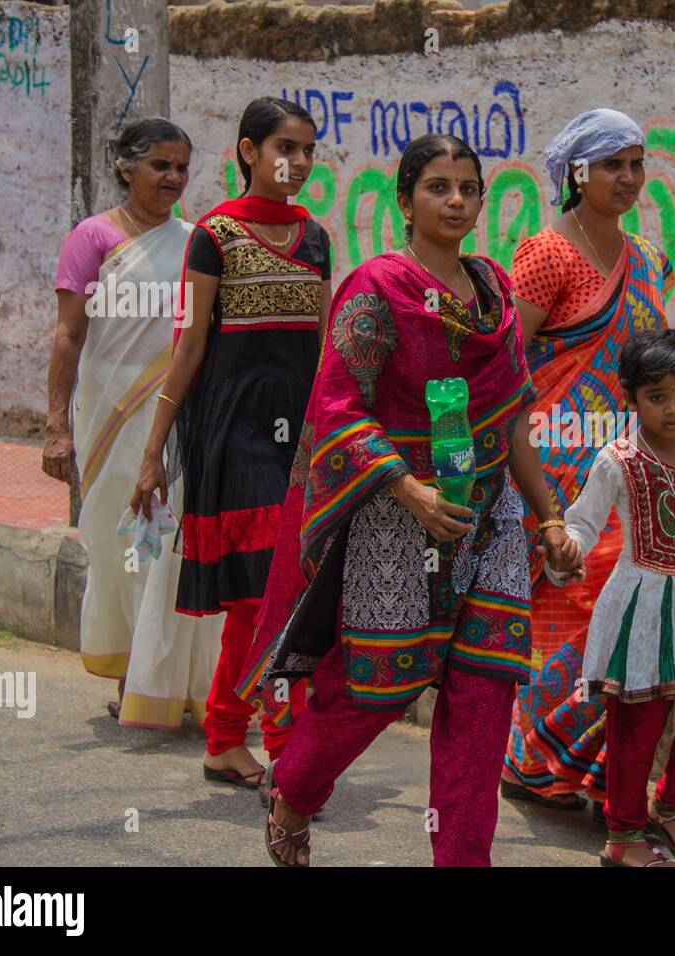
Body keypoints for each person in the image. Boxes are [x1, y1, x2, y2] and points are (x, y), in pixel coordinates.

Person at [239, 133, 577, 867]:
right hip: (399, 518)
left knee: (485, 703)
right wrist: (411, 489)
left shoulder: (492, 292)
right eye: (437, 187)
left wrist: (547, 515)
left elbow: (512, 418)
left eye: (468, 188)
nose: (456, 201)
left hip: (491, 524)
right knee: (378, 688)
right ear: (405, 200)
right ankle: (293, 793)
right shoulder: (376, 289)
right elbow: (337, 406)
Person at [129, 97, 331, 787]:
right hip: (234, 435)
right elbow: (187, 348)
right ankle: (276, 742)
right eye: (285, 147)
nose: (298, 162)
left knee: (284, 596)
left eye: (308, 149)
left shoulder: (316, 238)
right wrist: (154, 450)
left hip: (298, 436)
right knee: (260, 597)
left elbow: (325, 347)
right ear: (248, 151)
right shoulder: (212, 236)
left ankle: (227, 736)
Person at [502, 108, 672, 815]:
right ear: (577, 173)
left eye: (636, 163)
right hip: (554, 463)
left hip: (623, 465)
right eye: (613, 164)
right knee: (581, 607)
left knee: (636, 607)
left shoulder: (651, 256)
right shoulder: (548, 254)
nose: (629, 178)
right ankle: (538, 759)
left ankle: (588, 771)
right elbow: (506, 366)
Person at [46, 117, 223, 728]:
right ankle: (133, 671)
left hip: (175, 419)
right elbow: (70, 335)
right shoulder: (92, 238)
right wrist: (56, 426)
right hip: (105, 414)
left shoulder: (198, 240)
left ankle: (172, 682)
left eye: (181, 167)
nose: (174, 178)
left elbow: (203, 337)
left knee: (171, 544)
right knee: (118, 538)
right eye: (160, 166)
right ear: (126, 169)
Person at [543, 329, 675, 867]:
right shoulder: (618, 460)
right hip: (637, 610)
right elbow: (584, 522)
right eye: (657, 397)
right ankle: (623, 837)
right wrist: (566, 549)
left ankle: (671, 806)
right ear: (629, 397)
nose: (673, 408)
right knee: (638, 728)